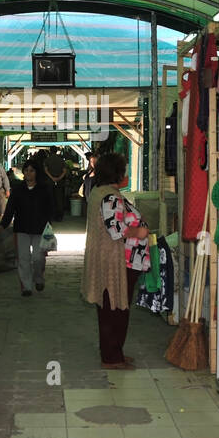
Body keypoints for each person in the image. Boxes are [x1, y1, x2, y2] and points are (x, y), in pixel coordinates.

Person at [81, 152, 150, 369]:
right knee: (115, 309)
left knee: (113, 308)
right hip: (116, 262)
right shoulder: (110, 196)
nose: (126, 174)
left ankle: (114, 352)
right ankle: (111, 357)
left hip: (111, 260)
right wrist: (138, 232)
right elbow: (116, 229)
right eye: (124, 169)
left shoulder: (100, 192)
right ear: (117, 172)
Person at [0, 160, 55, 297]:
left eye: (32, 170)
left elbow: (50, 208)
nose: (28, 173)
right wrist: (3, 224)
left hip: (39, 229)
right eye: (26, 170)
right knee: (23, 258)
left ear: (37, 173)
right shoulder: (18, 189)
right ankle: (26, 287)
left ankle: (38, 278)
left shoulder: (44, 189)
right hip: (21, 228)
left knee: (38, 258)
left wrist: (49, 224)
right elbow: (10, 208)